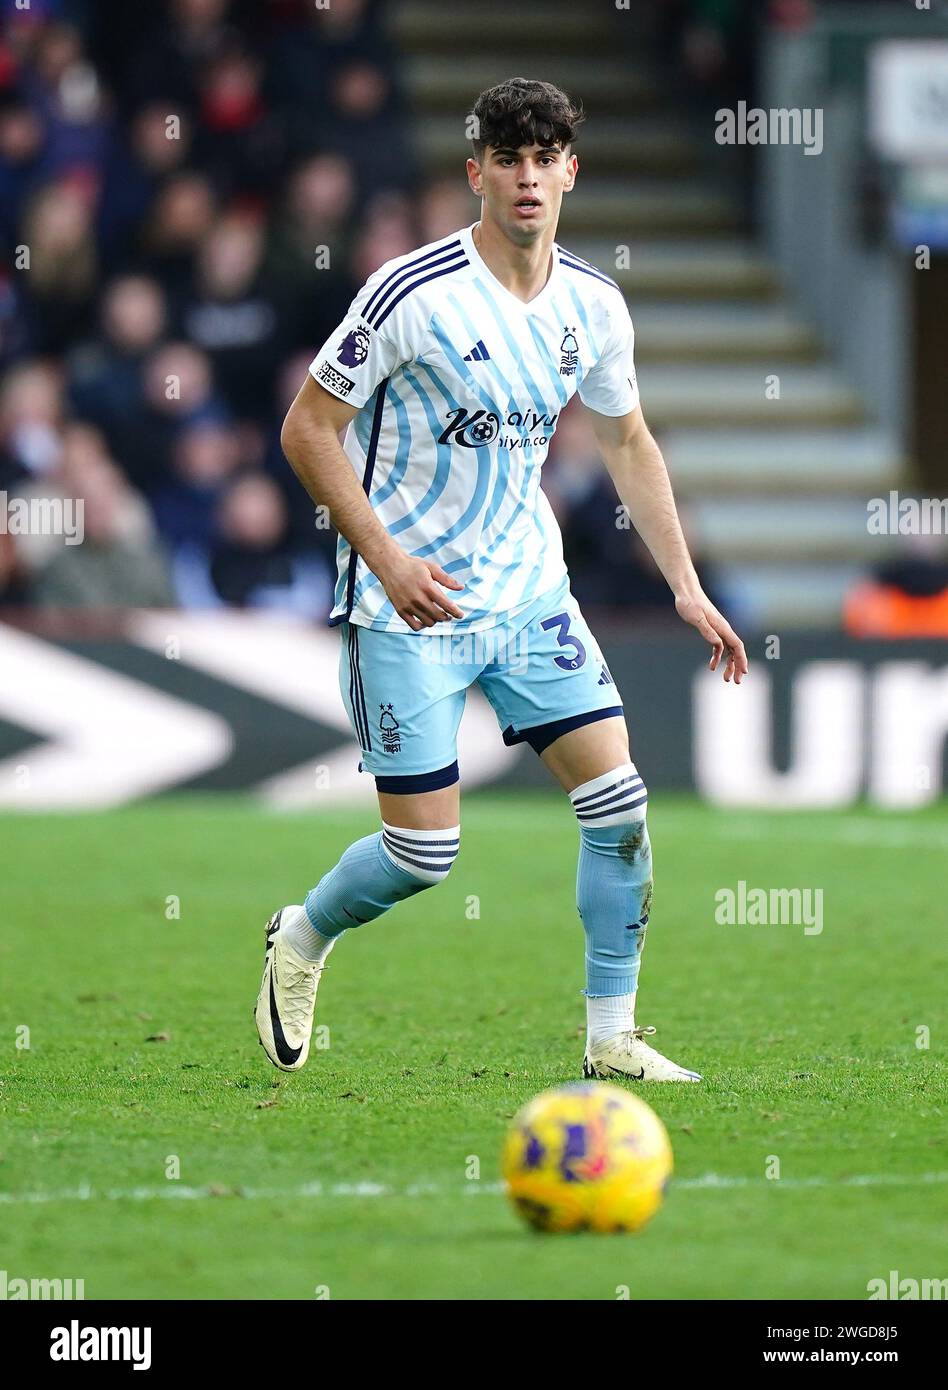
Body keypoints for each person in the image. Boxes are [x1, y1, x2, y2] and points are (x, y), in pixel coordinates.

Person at [255, 78, 747, 1083]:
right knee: (424, 857)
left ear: (572, 170)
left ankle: (611, 1036)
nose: (527, 178)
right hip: (408, 604)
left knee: (618, 805)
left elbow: (627, 439)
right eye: (508, 160)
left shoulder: (594, 308)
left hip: (528, 596)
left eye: (545, 158)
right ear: (475, 173)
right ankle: (303, 934)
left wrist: (686, 586)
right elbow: (308, 429)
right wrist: (388, 560)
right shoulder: (411, 292)